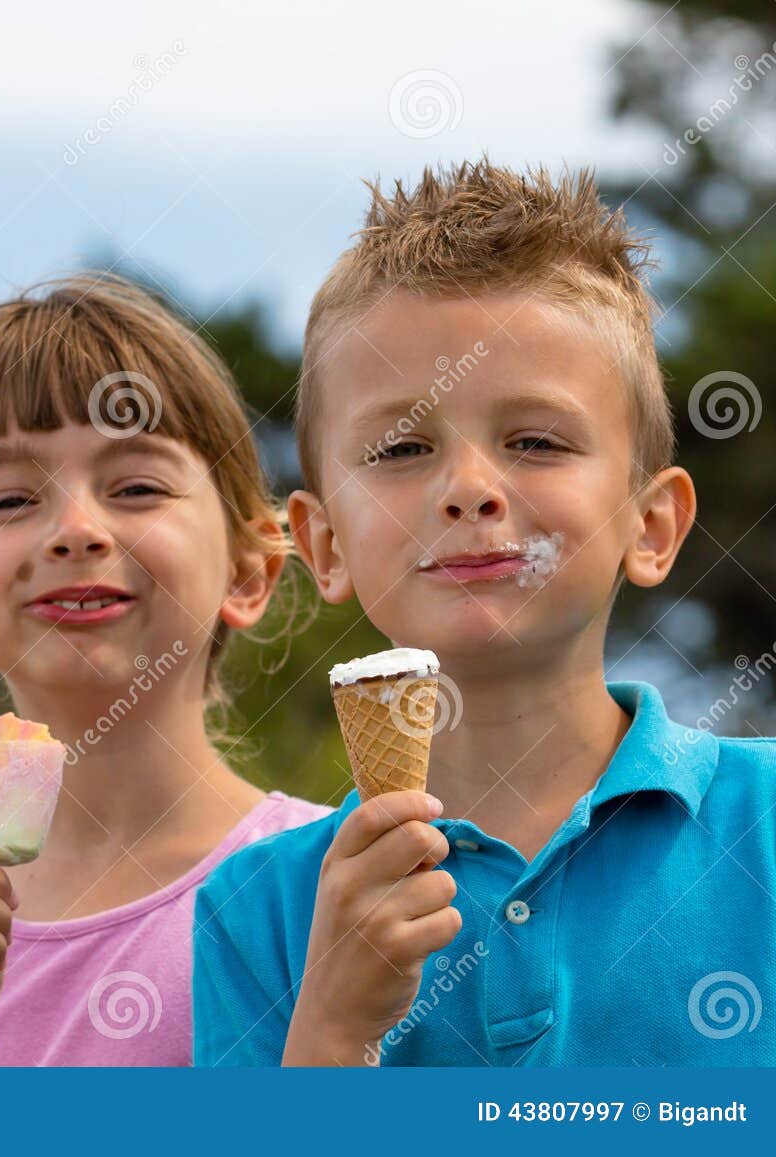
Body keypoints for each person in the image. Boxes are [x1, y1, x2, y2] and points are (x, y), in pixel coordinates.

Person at [193, 160, 776, 1066]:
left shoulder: (765, 827)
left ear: (651, 524)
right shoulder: (256, 910)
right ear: (324, 543)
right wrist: (335, 1028)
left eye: (536, 440)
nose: (469, 488)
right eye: (403, 447)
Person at [0, 273, 329, 1066]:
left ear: (249, 569)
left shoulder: (329, 878)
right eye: (10, 500)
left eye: (137, 486)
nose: (76, 529)